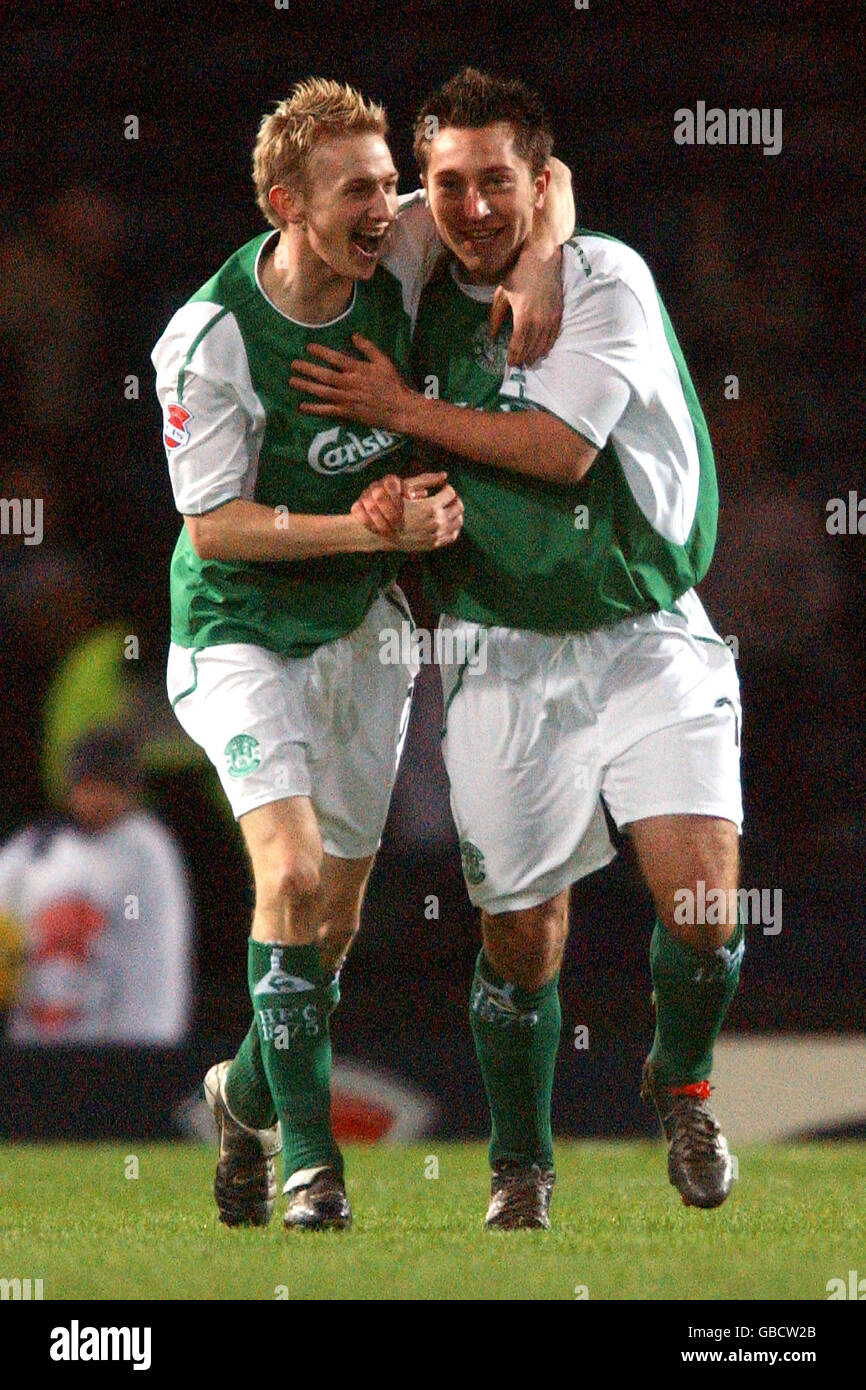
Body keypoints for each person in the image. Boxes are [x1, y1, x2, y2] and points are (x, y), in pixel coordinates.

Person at [290, 68, 745, 1227]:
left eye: (499, 181)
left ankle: (681, 1084)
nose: (472, 206)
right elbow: (308, 225)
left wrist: (401, 407)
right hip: (497, 649)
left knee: (702, 909)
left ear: (536, 185)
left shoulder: (607, 280)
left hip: (647, 638)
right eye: (446, 183)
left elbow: (557, 451)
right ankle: (520, 1167)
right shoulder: (405, 257)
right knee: (518, 933)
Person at [152, 78, 567, 1233]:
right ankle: (307, 1164)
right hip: (238, 631)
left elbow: (548, 182)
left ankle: (239, 1097)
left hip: (362, 633)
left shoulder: (401, 250)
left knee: (327, 926)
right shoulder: (210, 339)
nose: (389, 208)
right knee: (283, 878)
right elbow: (213, 525)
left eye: (392, 183)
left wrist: (535, 266)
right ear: (286, 202)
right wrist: (369, 524)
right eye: (358, 189)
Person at [0, 726, 191, 1046]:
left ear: (131, 792)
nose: (98, 798)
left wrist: (149, 1045)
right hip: (36, 1043)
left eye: (110, 787)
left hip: (119, 1045)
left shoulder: (145, 851)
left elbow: (154, 957)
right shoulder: (33, 852)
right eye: (90, 785)